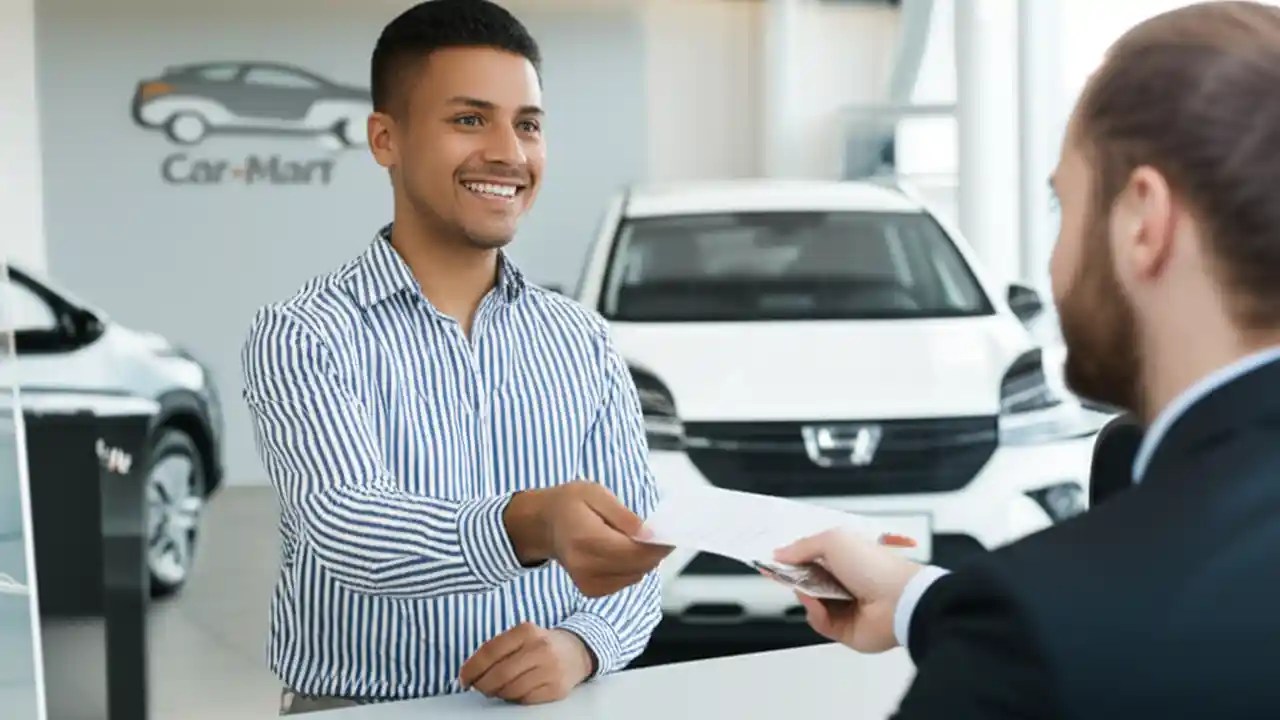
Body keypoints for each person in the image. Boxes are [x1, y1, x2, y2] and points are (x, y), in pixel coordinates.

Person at [774, 2, 1280, 718]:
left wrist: (990, 622)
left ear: (1143, 223)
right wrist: (918, 597)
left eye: (1062, 209)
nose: (1052, 263)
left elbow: (1097, 630)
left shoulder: (1027, 640)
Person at [240, 1, 670, 713]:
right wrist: (532, 523)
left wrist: (582, 645)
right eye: (470, 119)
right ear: (386, 139)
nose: (509, 152)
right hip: (363, 708)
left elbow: (637, 550)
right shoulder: (304, 333)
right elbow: (351, 530)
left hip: (548, 706)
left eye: (527, 124)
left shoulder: (581, 340)